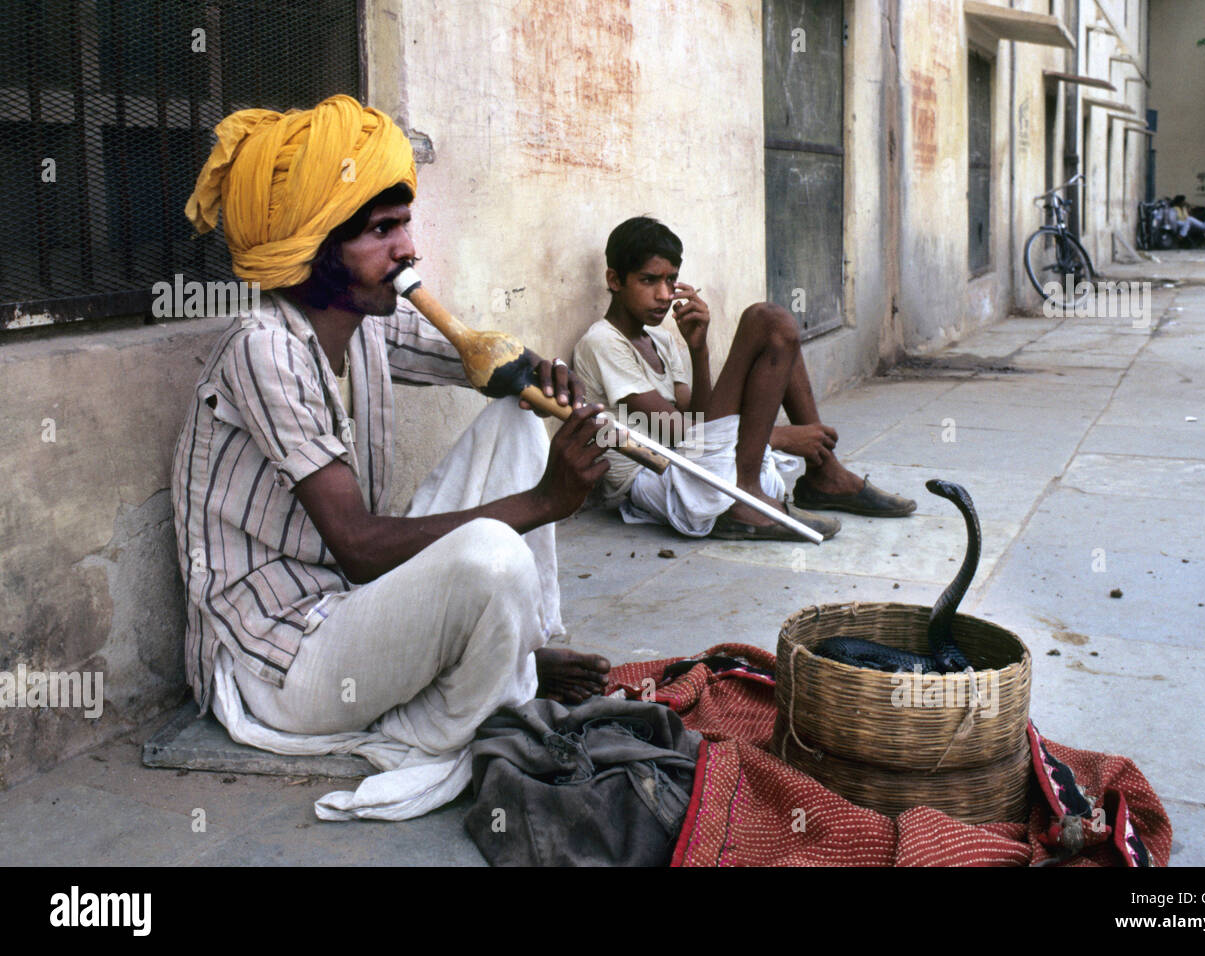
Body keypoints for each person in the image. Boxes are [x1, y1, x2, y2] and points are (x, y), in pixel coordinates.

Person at [172, 95, 609, 818]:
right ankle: (447, 717)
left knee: (519, 418)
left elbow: (491, 362)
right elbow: (361, 549)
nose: (408, 250)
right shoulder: (263, 349)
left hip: (344, 607)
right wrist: (546, 502)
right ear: (317, 247)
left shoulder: (369, 320)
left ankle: (517, 653)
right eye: (382, 231)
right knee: (495, 555)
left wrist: (542, 375)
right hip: (281, 664)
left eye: (403, 224)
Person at [571, 216, 916, 541]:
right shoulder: (602, 342)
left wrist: (698, 351)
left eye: (671, 280)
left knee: (781, 336)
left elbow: (701, 422)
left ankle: (824, 475)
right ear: (615, 280)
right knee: (766, 320)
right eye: (649, 280)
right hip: (653, 478)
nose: (664, 294)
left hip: (694, 464)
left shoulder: (658, 339)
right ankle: (746, 492)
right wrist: (776, 438)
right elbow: (676, 431)